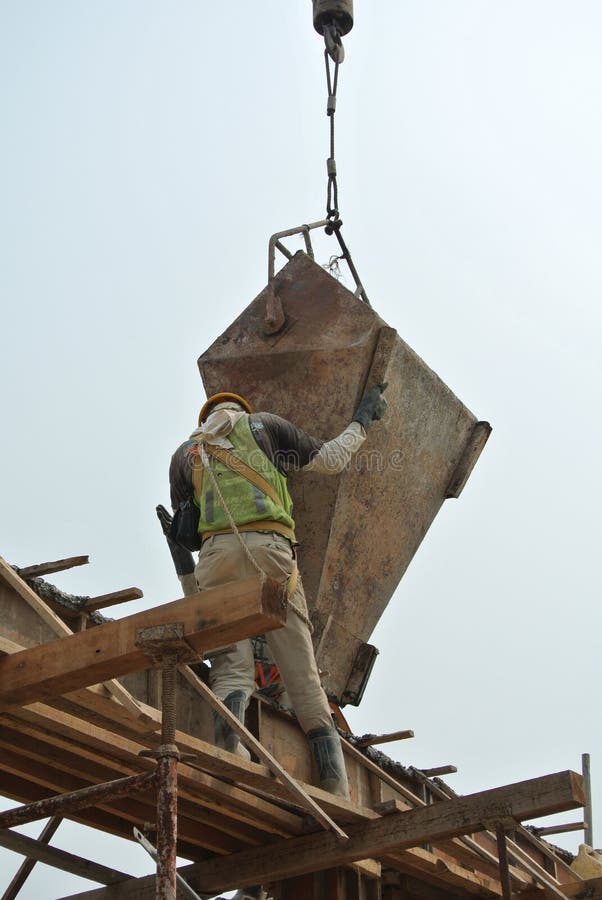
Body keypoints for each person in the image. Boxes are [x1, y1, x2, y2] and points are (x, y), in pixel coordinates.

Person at [159, 386, 387, 804]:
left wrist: (181, 561)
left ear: (204, 417)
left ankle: (230, 745)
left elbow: (186, 531)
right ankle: (335, 783)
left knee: (231, 668)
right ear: (241, 410)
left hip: (215, 559)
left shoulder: (184, 455)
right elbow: (332, 461)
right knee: (303, 678)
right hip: (270, 551)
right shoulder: (266, 426)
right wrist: (362, 421)